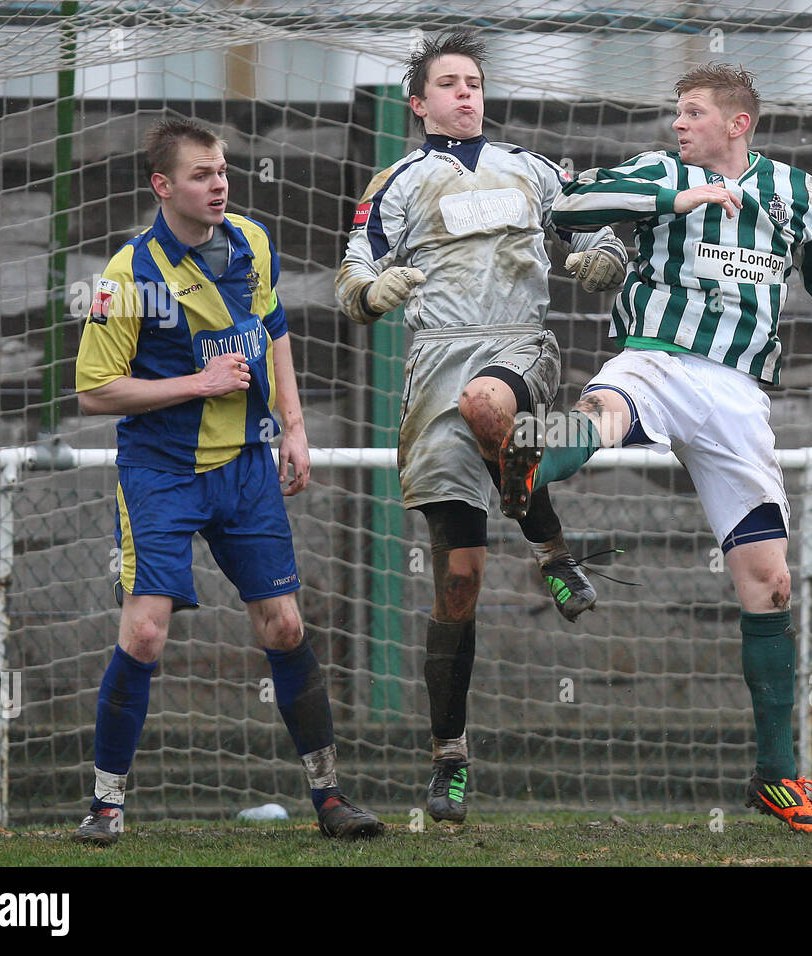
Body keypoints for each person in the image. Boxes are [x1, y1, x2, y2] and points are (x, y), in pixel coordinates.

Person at [500, 64, 812, 834]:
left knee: (770, 584)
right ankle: (529, 459)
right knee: (604, 411)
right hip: (655, 357)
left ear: (738, 123)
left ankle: (775, 779)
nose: (678, 124)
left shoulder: (796, 196)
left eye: (692, 113)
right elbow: (567, 206)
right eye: (676, 112)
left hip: (737, 397)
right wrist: (672, 197)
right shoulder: (661, 172)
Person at [335, 31, 627, 824]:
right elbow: (352, 275)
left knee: (492, 407)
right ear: (418, 102)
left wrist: (603, 256)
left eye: (474, 82)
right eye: (449, 84)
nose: (466, 94)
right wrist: (374, 290)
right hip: (433, 370)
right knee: (458, 579)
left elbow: (595, 225)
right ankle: (449, 758)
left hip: (518, 348)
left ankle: (551, 549)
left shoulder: (532, 168)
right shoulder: (395, 181)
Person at [71, 118, 383, 845]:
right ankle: (106, 803)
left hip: (246, 467)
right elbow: (93, 392)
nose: (219, 185)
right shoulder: (127, 278)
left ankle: (330, 796)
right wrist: (198, 381)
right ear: (163, 186)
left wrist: (296, 428)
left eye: (223, 172)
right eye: (202, 175)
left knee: (285, 624)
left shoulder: (250, 240)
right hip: (162, 472)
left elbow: (274, 328)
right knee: (146, 632)